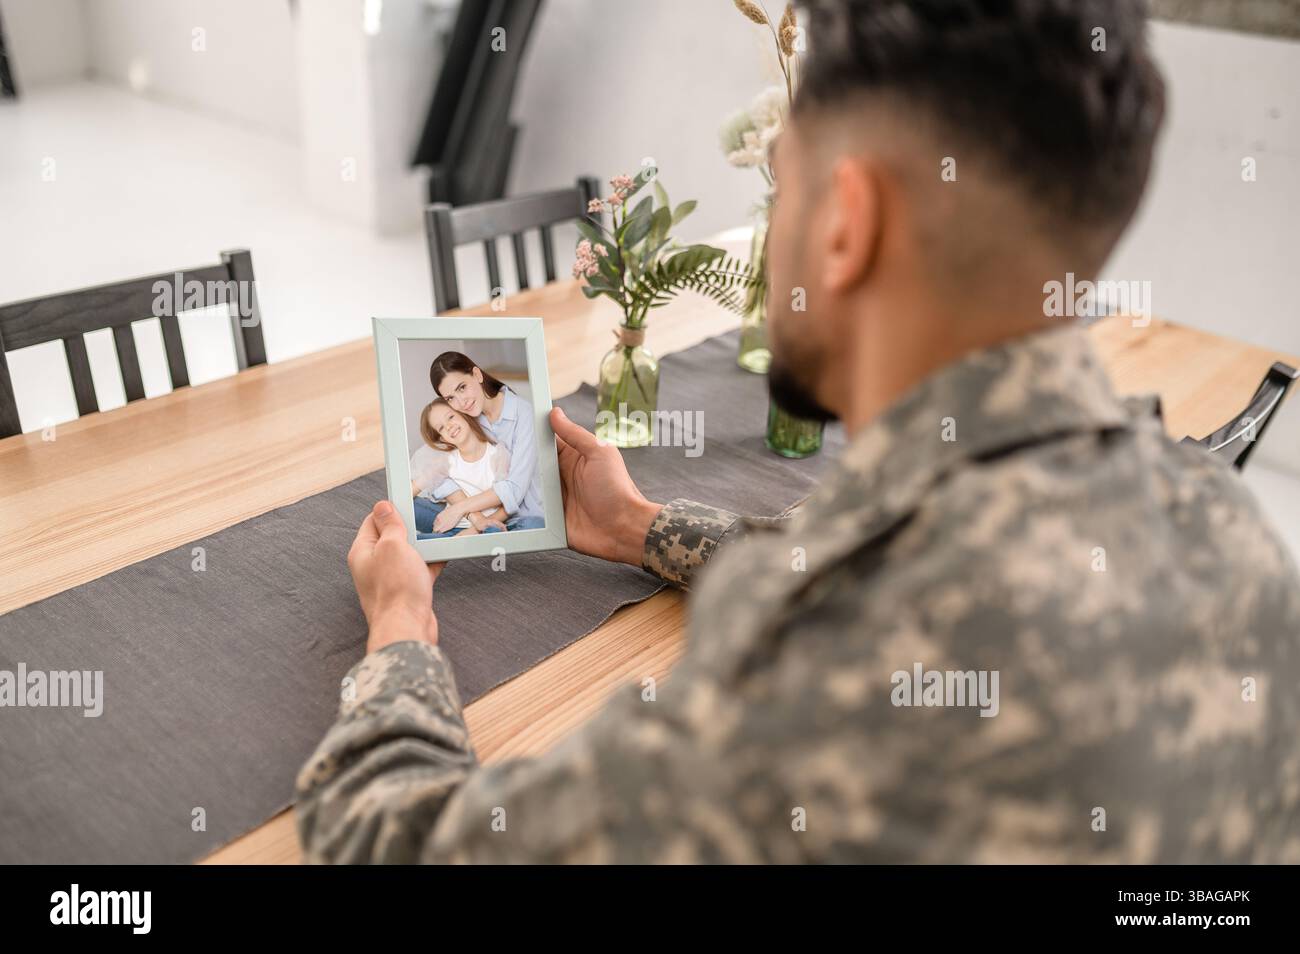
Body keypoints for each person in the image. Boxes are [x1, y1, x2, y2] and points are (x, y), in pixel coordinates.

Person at [295, 0, 1300, 863]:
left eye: (782, 179)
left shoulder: (824, 676)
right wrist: (640, 524)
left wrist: (398, 635)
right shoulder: (1232, 536)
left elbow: (408, 842)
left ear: (843, 221)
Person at [428, 351, 546, 532]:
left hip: (523, 517)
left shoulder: (523, 413)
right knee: (414, 511)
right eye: (450, 398)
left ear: (477, 374)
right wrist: (476, 519)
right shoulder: (467, 417)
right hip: (478, 513)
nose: (461, 402)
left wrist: (463, 515)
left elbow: (514, 490)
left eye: (462, 387)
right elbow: (441, 471)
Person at [413, 399, 509, 539]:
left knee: (494, 531)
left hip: (489, 524)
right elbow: (406, 495)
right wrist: (426, 477)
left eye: (451, 417)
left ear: (463, 414)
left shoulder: (497, 454)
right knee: (399, 509)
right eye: (441, 428)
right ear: (443, 439)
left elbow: (510, 504)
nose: (449, 427)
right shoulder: (446, 461)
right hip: (450, 523)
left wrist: (475, 529)